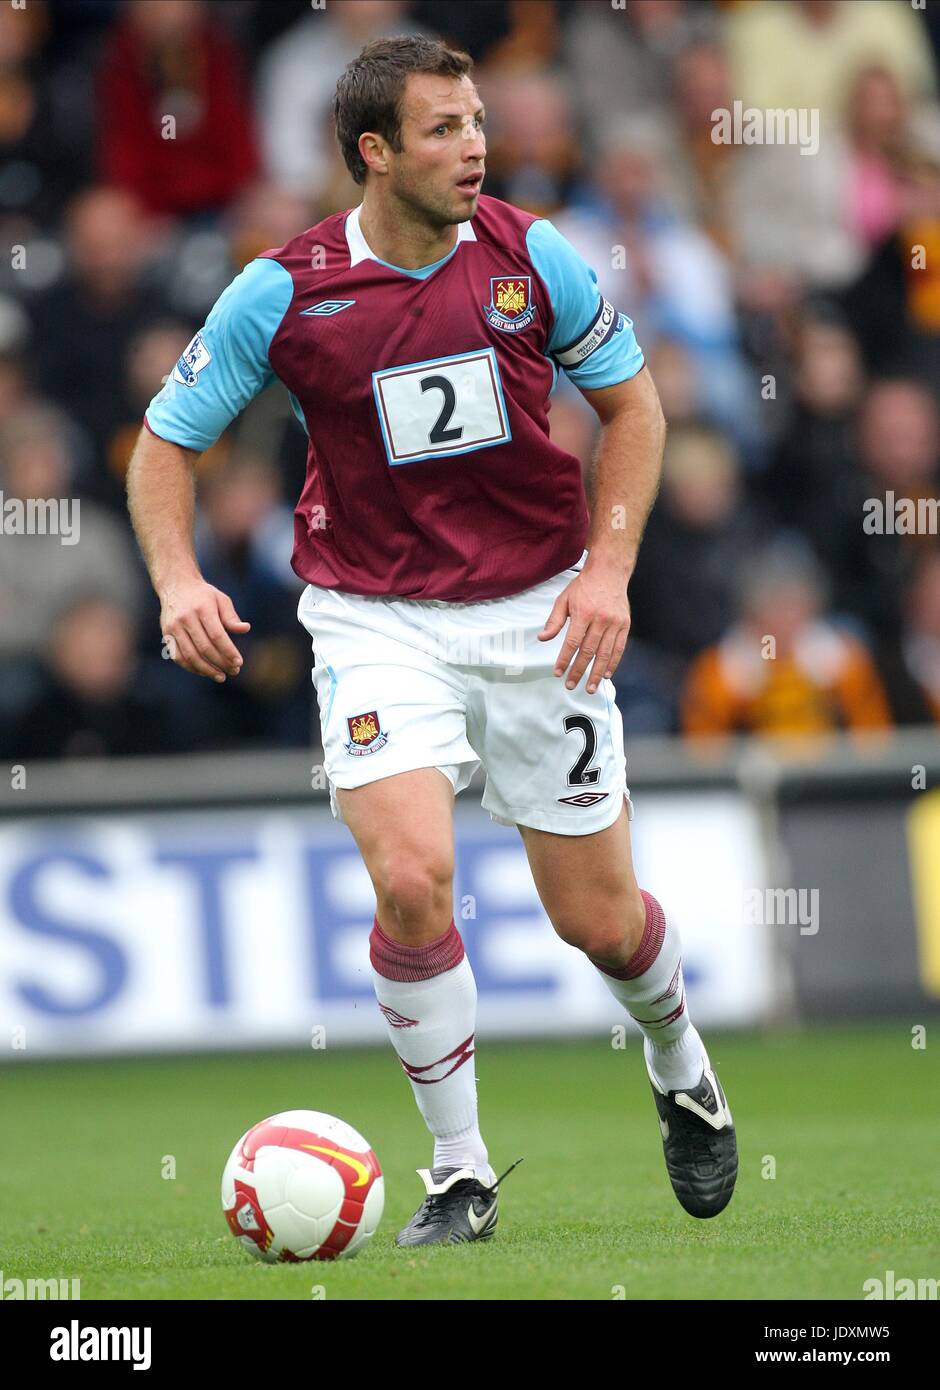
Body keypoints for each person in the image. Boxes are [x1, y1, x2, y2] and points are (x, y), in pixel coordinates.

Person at [127, 35, 736, 1248]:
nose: (476, 148)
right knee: (411, 880)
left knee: (599, 922)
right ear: (374, 152)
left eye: (477, 124)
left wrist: (609, 570)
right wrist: (177, 578)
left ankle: (681, 1065)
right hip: (374, 616)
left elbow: (634, 405)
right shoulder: (284, 289)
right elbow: (163, 443)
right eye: (446, 129)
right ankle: (459, 1174)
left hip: (535, 613)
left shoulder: (530, 253)